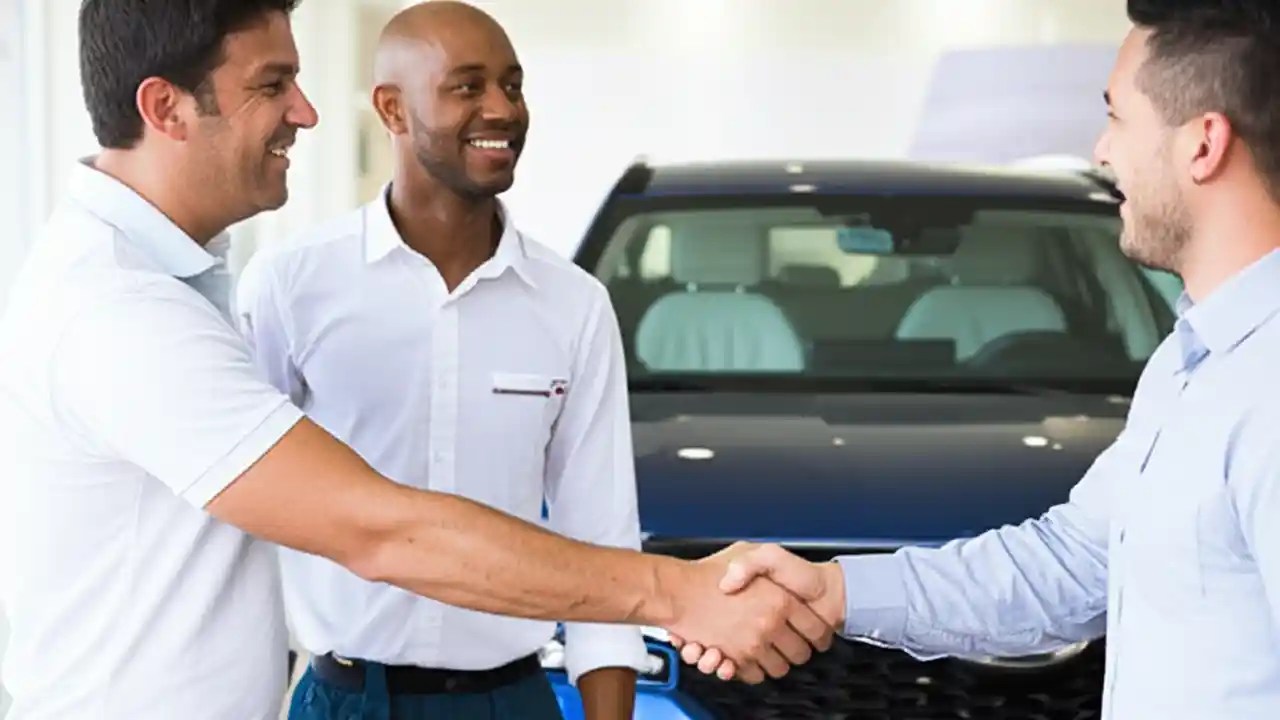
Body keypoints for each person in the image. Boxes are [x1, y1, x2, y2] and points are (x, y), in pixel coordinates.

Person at [0, 2, 833, 718]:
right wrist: (680, 592)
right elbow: (381, 528)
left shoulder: (176, 281)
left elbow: (583, 515)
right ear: (167, 108)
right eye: (270, 85)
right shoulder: (124, 310)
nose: (305, 113)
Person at [676, 1, 1280, 718]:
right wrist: (832, 591)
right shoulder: (1192, 364)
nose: (1101, 151)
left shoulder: (1263, 385)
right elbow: (1072, 562)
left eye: (1117, 117)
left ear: (1202, 146)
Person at [234, 2, 646, 718]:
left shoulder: (573, 306)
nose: (503, 109)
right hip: (346, 698)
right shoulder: (291, 286)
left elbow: (603, 541)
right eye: (468, 86)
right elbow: (241, 525)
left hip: (510, 700)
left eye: (513, 86)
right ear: (392, 109)